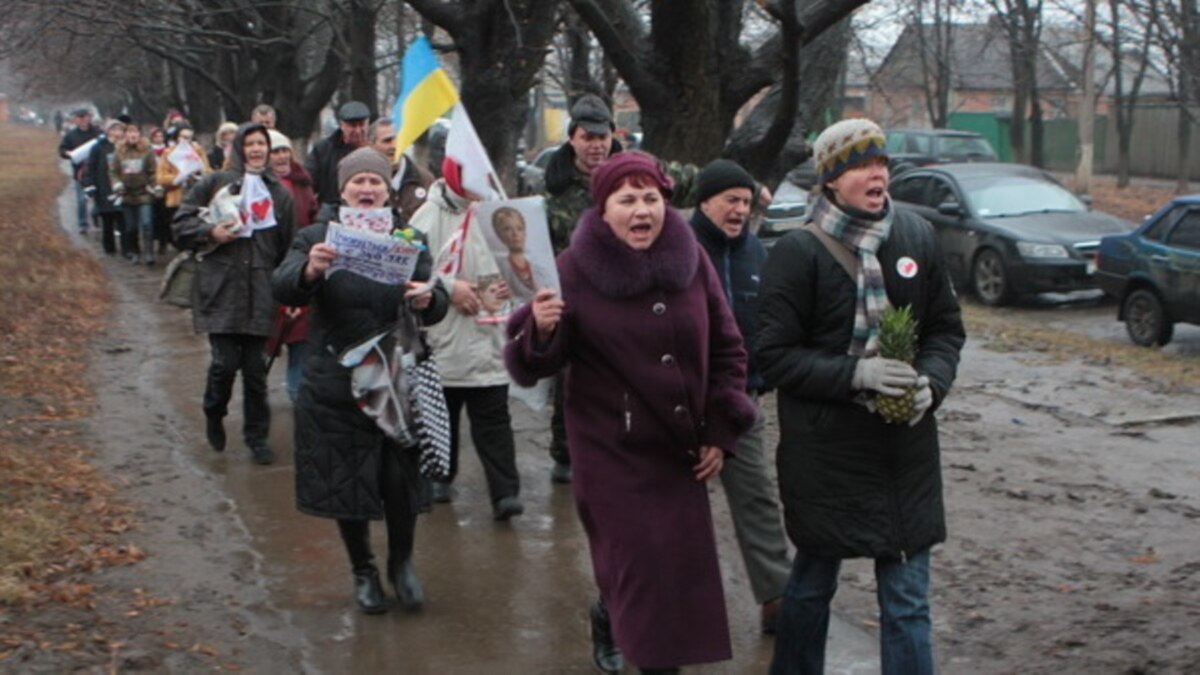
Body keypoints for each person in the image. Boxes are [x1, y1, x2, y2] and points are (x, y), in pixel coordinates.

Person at [505, 151, 755, 674]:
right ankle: (633, 636)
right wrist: (543, 329)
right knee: (641, 573)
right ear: (603, 209)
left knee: (675, 577)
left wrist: (721, 427)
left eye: (651, 198)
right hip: (610, 452)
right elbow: (534, 366)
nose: (641, 210)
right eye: (627, 200)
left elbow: (729, 346)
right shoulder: (572, 269)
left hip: (679, 449)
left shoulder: (692, 260)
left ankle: (611, 612)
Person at [756, 118, 965, 675]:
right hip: (827, 458)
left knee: (906, 604)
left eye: (882, 164)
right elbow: (773, 356)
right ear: (830, 181)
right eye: (860, 166)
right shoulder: (798, 252)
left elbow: (945, 330)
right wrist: (857, 375)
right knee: (812, 587)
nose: (877, 175)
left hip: (904, 457)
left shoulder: (917, 237)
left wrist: (932, 385)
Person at [271, 147, 448, 614]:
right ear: (342, 189)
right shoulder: (316, 236)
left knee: (399, 481)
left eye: (375, 181)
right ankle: (363, 571)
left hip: (396, 378)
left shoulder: (409, 236)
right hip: (337, 380)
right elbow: (283, 283)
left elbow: (437, 294)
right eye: (358, 182)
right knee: (347, 482)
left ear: (388, 189)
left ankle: (402, 564)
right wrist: (311, 268)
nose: (367, 189)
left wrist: (429, 299)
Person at [539, 94, 711, 485]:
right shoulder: (555, 192)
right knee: (572, 376)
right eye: (587, 137)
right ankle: (566, 453)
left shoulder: (634, 170)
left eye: (602, 136)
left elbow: (685, 180)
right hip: (577, 293)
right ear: (572, 139)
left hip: (633, 288)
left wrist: (732, 183)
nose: (596, 144)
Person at [689, 158, 793, 635]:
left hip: (743, 402)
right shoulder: (679, 249)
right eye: (730, 199)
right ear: (705, 201)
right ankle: (669, 605)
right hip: (683, 405)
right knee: (676, 510)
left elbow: (772, 323)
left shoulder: (758, 254)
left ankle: (777, 597)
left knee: (757, 500)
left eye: (747, 203)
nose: (739, 210)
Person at [173, 122, 296, 466]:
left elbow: (288, 248)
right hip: (221, 289)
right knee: (225, 364)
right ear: (238, 148)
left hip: (261, 292)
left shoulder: (279, 195)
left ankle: (256, 436)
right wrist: (210, 231)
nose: (257, 150)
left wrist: (292, 295)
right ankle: (214, 409)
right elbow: (180, 224)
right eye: (250, 143)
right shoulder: (214, 184)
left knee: (256, 371)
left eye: (262, 144)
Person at [408, 158, 524, 520]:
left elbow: (520, 259)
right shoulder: (424, 217)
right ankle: (440, 476)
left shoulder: (495, 211)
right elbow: (410, 271)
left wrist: (510, 282)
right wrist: (449, 288)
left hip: (488, 332)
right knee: (442, 413)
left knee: (493, 418)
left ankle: (505, 493)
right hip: (444, 332)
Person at [265, 128, 319, 402]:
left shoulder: (302, 183)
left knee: (300, 337)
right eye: (275, 151)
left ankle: (298, 396)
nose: (282, 156)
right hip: (269, 273)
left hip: (300, 269)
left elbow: (313, 219)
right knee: (268, 341)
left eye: (285, 150)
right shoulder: (256, 187)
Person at [306, 100, 371, 217]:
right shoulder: (322, 150)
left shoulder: (376, 150)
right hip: (332, 214)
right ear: (342, 125)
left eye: (361, 125)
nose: (357, 131)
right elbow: (308, 184)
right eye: (352, 126)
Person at [156, 125, 212, 249]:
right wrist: (177, 178)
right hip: (177, 197)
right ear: (177, 138)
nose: (187, 140)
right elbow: (161, 177)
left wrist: (200, 174)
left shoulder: (198, 151)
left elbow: (207, 170)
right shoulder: (168, 153)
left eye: (190, 138)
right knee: (178, 231)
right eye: (184, 137)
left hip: (196, 197)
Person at [110, 124, 159, 265]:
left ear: (139, 135)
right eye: (130, 133)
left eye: (136, 133)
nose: (133, 136)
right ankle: (135, 251)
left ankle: (149, 252)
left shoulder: (147, 151)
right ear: (125, 135)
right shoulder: (119, 152)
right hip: (126, 194)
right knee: (131, 226)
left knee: (147, 223)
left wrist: (155, 185)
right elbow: (113, 171)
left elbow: (153, 171)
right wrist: (117, 184)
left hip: (144, 193)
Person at [368, 117, 432, 219]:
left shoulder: (425, 179)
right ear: (371, 145)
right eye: (387, 141)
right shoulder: (364, 182)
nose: (394, 146)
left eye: (399, 139)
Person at [82, 120, 126, 255]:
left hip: (122, 187)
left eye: (120, 130)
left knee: (123, 219)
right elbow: (91, 167)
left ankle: (126, 248)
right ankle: (109, 247)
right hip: (104, 187)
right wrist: (90, 184)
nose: (117, 133)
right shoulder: (98, 147)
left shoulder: (125, 146)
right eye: (114, 130)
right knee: (108, 220)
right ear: (108, 131)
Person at [58, 108, 102, 234]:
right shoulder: (71, 135)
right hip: (80, 172)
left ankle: (96, 215)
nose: (83, 120)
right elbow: (62, 150)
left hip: (97, 170)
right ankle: (83, 224)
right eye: (80, 117)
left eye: (85, 117)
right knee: (81, 200)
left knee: (99, 198)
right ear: (76, 119)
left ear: (89, 118)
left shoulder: (98, 132)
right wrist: (68, 153)